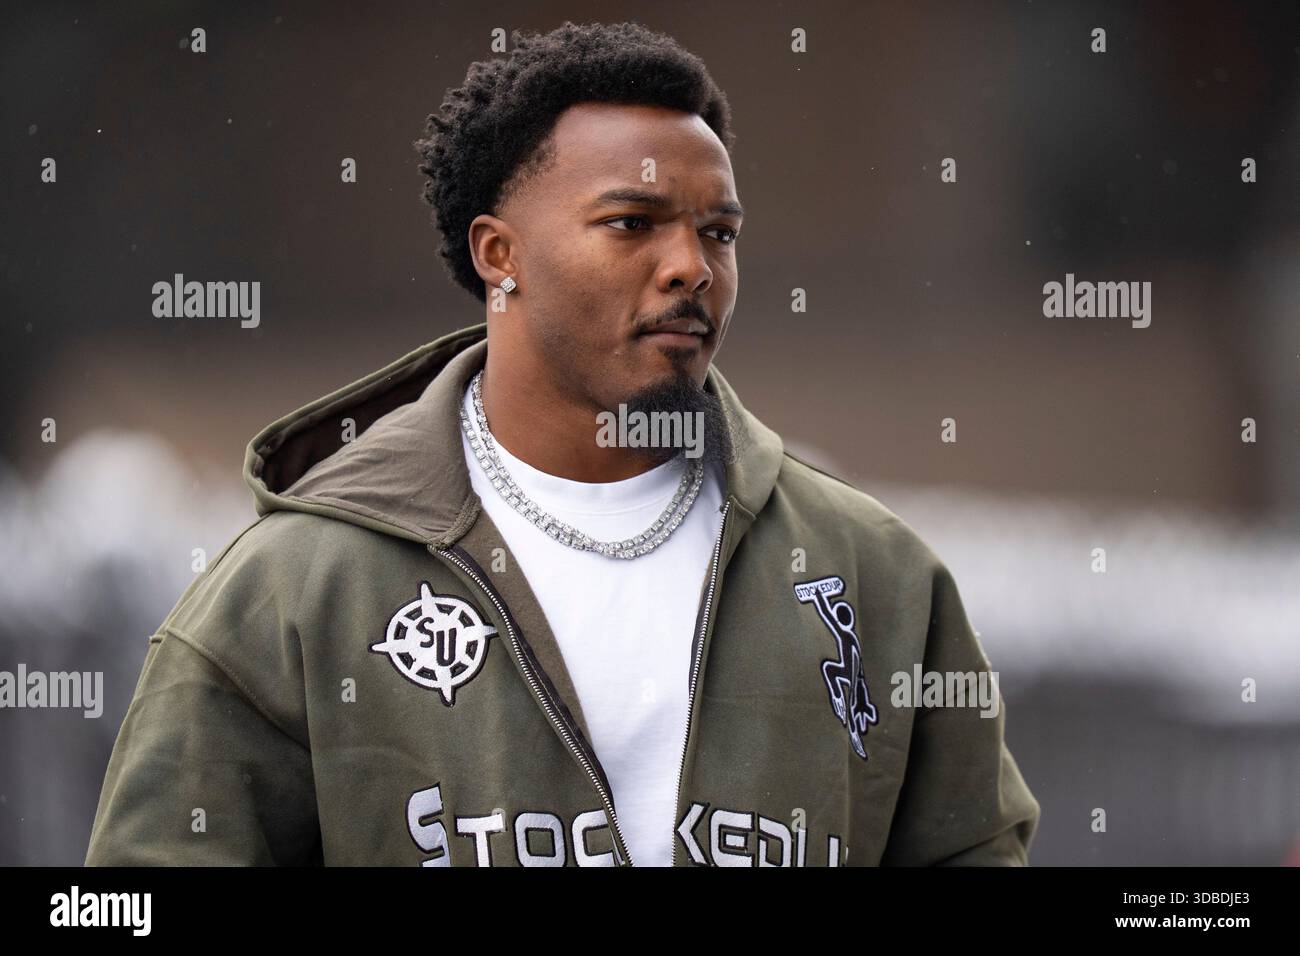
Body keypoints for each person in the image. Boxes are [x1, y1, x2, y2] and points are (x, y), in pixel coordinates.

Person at [86, 20, 1039, 867]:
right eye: (633, 223)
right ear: (499, 255)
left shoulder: (873, 575)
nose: (692, 269)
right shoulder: (297, 589)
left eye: (720, 232)